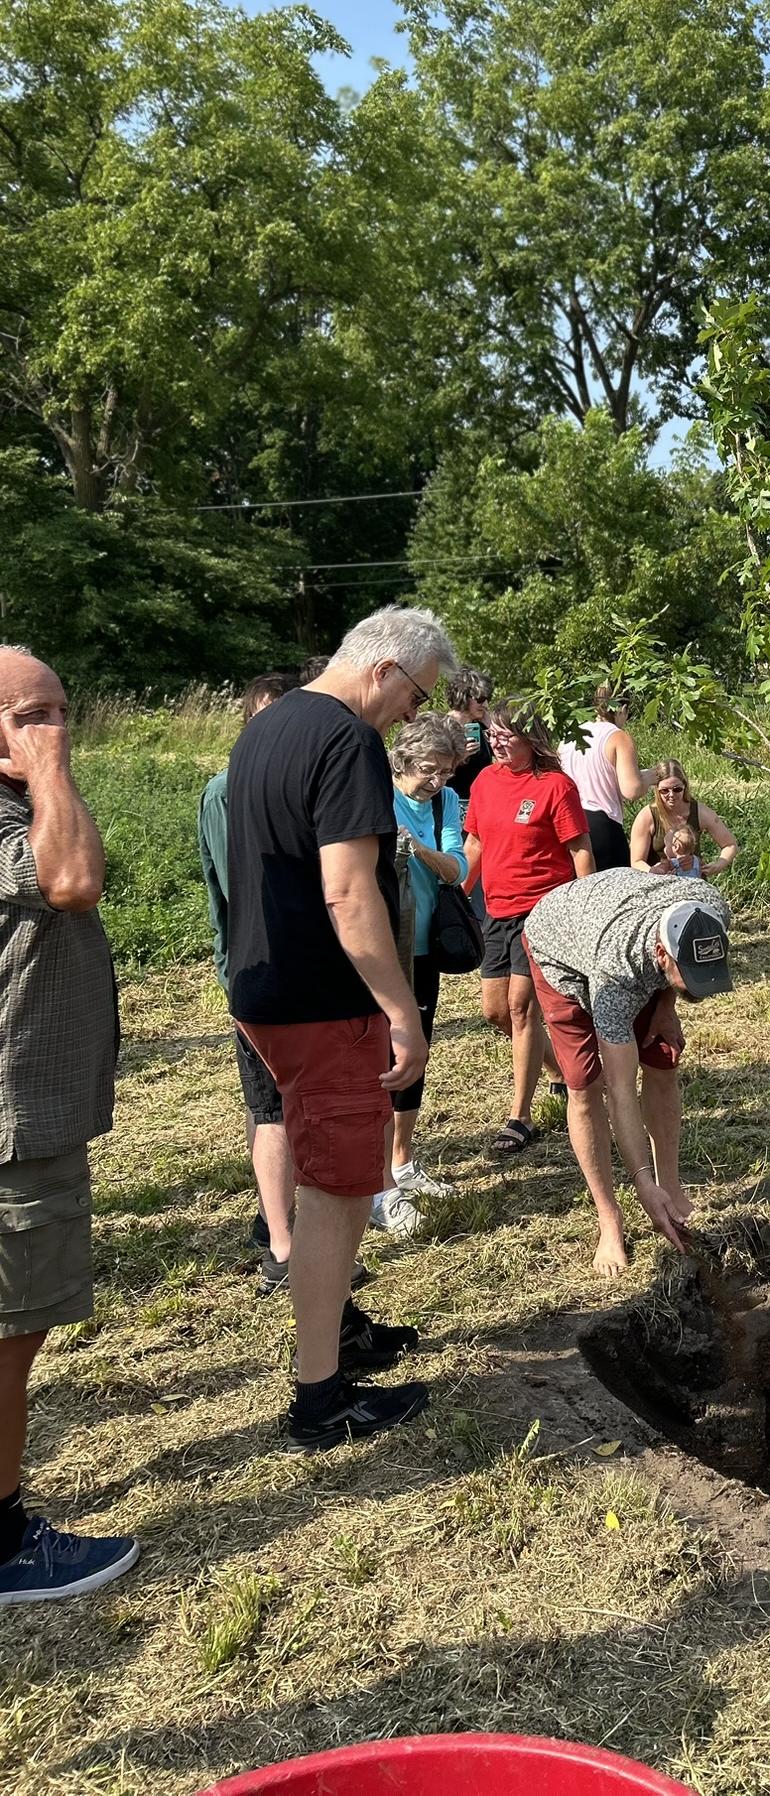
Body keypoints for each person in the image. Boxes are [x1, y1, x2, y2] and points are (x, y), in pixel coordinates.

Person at [227, 604, 456, 1453]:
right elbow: (348, 891)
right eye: (415, 698)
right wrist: (401, 1010)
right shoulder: (347, 740)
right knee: (337, 1188)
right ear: (385, 670)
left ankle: (341, 1327)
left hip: (262, 983)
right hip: (322, 997)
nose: (409, 717)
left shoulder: (270, 724)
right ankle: (318, 1397)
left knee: (328, 1160)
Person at [0, 645, 139, 1602]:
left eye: (61, 711)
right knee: (11, 1327)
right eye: (34, 714)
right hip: (14, 1116)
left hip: (33, 1106)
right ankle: (4, 1539)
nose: (60, 730)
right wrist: (47, 767)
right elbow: (73, 881)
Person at [523, 869, 732, 1276]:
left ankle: (671, 1188)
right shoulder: (617, 975)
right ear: (661, 955)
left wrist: (667, 1003)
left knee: (662, 1058)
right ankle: (609, 1218)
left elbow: (676, 965)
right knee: (586, 1085)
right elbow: (621, 1092)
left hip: (614, 921)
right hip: (558, 942)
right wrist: (641, 1182)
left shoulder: (713, 911)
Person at [199, 669, 301, 1291]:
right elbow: (245, 892)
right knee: (271, 1109)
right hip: (260, 969)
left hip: (306, 972)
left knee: (291, 1108)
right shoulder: (226, 791)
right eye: (265, 715)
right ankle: (280, 1245)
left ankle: (278, 1221)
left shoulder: (298, 781)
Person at [465, 705, 595, 1156]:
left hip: (542, 910)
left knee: (522, 1008)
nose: (497, 742)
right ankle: (557, 1069)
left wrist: (583, 909)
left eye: (506, 736)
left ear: (530, 738)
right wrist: (458, 893)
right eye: (493, 735)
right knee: (496, 1012)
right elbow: (476, 843)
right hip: (495, 910)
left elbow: (580, 851)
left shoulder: (555, 786)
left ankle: (520, 1117)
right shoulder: (484, 781)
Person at [374, 712, 468, 1234]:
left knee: (415, 1051)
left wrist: (421, 851)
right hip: (380, 946)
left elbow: (459, 868)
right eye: (429, 770)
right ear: (403, 761)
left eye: (447, 772)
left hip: (425, 946)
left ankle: (402, 1161)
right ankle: (375, 1177)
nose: (436, 782)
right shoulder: (375, 794)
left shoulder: (445, 804)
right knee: (377, 1054)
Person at [558, 685, 659, 871]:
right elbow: (632, 790)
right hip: (601, 824)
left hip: (569, 821)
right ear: (623, 709)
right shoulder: (618, 737)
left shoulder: (570, 736)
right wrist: (652, 776)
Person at [629, 761, 739, 880]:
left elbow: (730, 845)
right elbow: (636, 861)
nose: (671, 795)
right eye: (665, 790)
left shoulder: (701, 812)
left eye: (677, 789)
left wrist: (718, 865)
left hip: (693, 881)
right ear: (657, 789)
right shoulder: (647, 816)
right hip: (658, 883)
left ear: (685, 787)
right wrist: (652, 871)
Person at [446, 668, 495, 804]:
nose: (486, 705)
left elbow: (508, 757)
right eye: (480, 699)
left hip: (480, 802)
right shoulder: (442, 727)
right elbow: (430, 771)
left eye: (487, 699)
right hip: (451, 804)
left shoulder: (481, 727)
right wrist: (458, 758)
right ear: (463, 696)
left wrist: (492, 726)